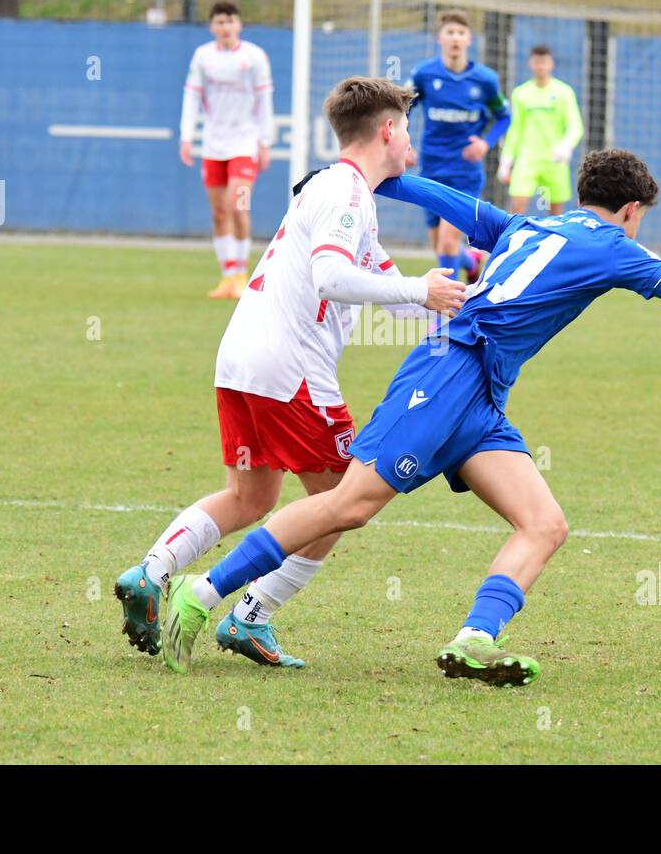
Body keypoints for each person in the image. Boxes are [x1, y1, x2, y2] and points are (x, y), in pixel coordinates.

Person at [161, 149, 661, 684]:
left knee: (544, 523)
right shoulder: (616, 248)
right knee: (350, 505)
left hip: (481, 398)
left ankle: (474, 639)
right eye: (640, 219)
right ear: (631, 211)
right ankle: (204, 592)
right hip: (449, 370)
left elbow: (458, 204)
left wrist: (379, 182)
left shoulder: (532, 222)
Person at [118, 76, 465, 668]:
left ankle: (152, 572)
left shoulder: (334, 192)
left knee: (249, 496)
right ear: (387, 130)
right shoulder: (348, 195)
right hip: (292, 370)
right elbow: (333, 278)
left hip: (241, 359)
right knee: (343, 503)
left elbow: (396, 292)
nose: (411, 138)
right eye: (406, 127)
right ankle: (250, 616)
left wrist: (471, 299)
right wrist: (418, 287)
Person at [406, 10, 510, 281]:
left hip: (465, 172)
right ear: (440, 39)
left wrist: (485, 144)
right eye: (450, 33)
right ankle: (471, 259)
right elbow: (401, 108)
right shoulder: (423, 75)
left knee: (447, 243)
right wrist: (403, 144)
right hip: (431, 167)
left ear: (469, 40)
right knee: (439, 246)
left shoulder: (485, 80)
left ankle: (448, 313)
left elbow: (504, 117)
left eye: (460, 33)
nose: (455, 38)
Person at [179, 1, 274, 299]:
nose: (225, 27)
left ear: (239, 25)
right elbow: (192, 98)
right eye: (219, 22)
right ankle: (227, 276)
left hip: (244, 143)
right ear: (212, 27)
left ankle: (242, 274)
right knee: (219, 212)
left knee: (238, 205)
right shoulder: (203, 57)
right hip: (213, 145)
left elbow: (264, 102)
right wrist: (186, 136)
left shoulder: (255, 57)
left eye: (230, 21)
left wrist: (265, 141)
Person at [498, 44, 584, 216]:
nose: (540, 65)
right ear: (530, 63)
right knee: (517, 207)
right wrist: (506, 161)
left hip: (554, 161)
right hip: (527, 160)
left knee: (552, 212)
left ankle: (550, 241)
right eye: (537, 61)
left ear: (551, 64)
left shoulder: (563, 92)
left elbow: (575, 125)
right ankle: (514, 241)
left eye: (544, 61)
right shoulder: (521, 93)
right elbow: (515, 129)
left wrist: (566, 146)